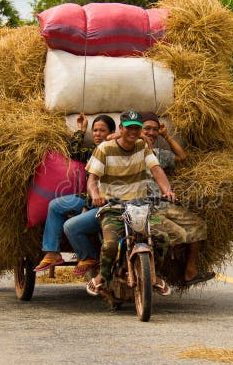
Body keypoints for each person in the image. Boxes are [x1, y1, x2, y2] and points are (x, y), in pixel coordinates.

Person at [85, 110, 176, 296]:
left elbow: (157, 170)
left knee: (162, 239)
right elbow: (92, 179)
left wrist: (167, 190)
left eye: (136, 128)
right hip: (113, 208)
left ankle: (154, 275)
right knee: (110, 245)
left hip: (140, 207)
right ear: (121, 129)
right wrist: (96, 195)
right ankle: (102, 277)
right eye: (129, 128)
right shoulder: (105, 148)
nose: (133, 132)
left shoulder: (142, 146)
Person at [34, 113, 116, 274]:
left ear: (112, 132)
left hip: (104, 202)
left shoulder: (116, 152)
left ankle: (88, 256)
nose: (97, 134)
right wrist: (81, 130)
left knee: (71, 226)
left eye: (102, 130)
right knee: (55, 205)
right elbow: (73, 151)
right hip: (87, 198)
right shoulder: (92, 151)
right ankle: (52, 252)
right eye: (95, 130)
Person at [141, 112, 213, 286]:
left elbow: (182, 157)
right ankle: (151, 272)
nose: (151, 133)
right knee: (175, 234)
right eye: (147, 129)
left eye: (155, 130)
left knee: (198, 226)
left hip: (163, 204)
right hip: (142, 207)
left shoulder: (159, 154)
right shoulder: (128, 151)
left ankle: (190, 270)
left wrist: (166, 135)